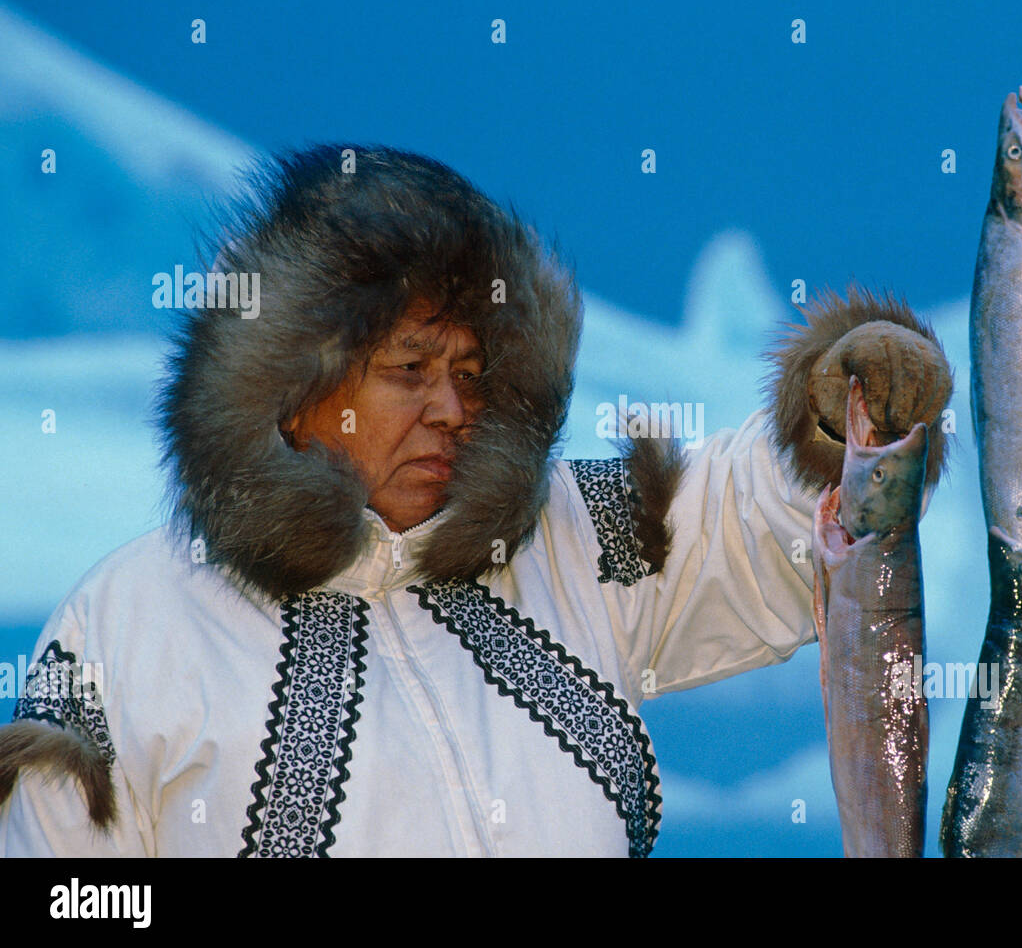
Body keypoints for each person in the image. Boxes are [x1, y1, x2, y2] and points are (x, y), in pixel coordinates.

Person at [0, 145, 950, 857]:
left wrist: (837, 414)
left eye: (469, 372)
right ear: (297, 386)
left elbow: (754, 525)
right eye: (409, 369)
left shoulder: (561, 544)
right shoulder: (127, 627)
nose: (453, 407)